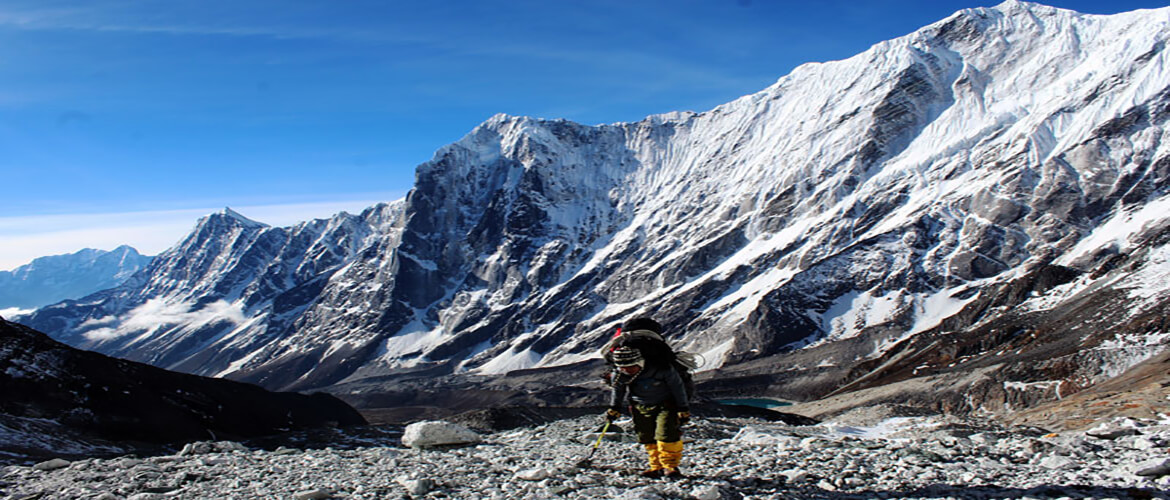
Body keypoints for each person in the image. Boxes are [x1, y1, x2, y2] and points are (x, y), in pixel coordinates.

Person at [605, 332, 691, 479]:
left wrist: (682, 408)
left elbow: (678, 387)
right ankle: (656, 467)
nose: (628, 370)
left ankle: (670, 466)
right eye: (624, 368)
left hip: (666, 404)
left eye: (631, 367)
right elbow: (618, 390)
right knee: (647, 437)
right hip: (639, 406)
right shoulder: (619, 374)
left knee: (666, 434)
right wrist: (614, 407)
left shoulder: (662, 368)